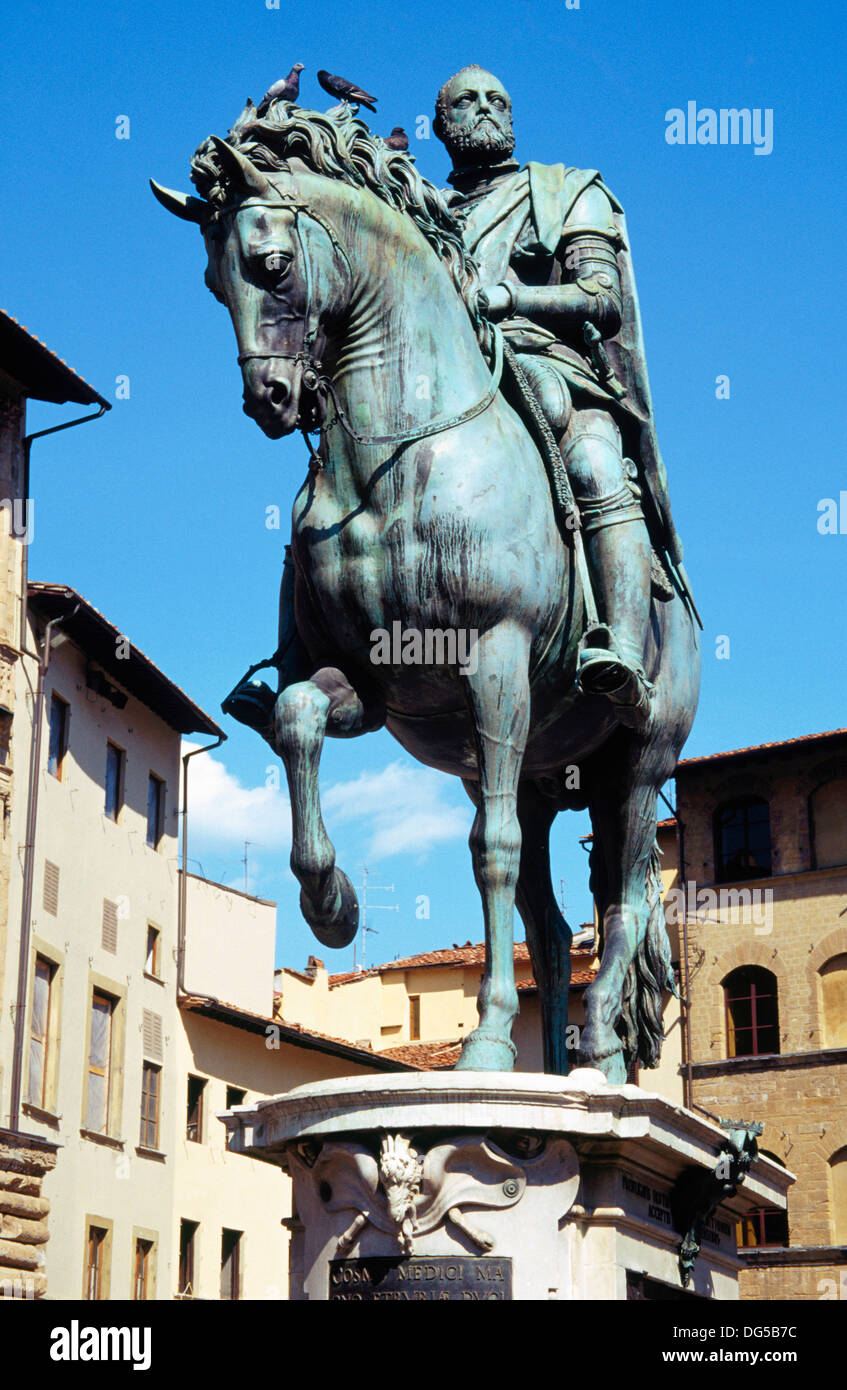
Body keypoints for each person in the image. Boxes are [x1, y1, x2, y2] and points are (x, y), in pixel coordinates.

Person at [434, 65, 695, 728]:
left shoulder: (564, 191)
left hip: (550, 368)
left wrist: (510, 297)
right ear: (441, 126)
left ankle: (625, 656)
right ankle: (297, 658)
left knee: (597, 467)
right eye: (465, 102)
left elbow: (599, 299)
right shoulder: (424, 209)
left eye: (497, 99)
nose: (484, 109)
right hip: (444, 380)